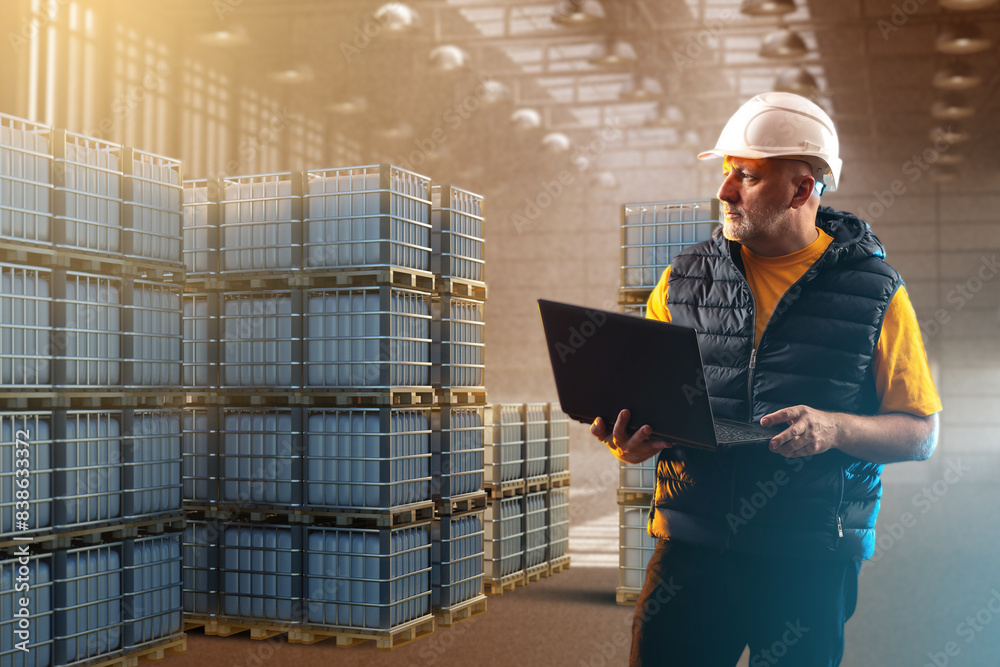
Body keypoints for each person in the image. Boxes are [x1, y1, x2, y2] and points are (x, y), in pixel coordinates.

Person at [591, 92, 941, 667]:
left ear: (802, 189)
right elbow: (645, 400)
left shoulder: (874, 292)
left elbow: (920, 434)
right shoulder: (681, 279)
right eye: (727, 174)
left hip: (808, 558)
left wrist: (834, 428)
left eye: (747, 177)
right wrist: (627, 441)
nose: (725, 191)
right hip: (691, 547)